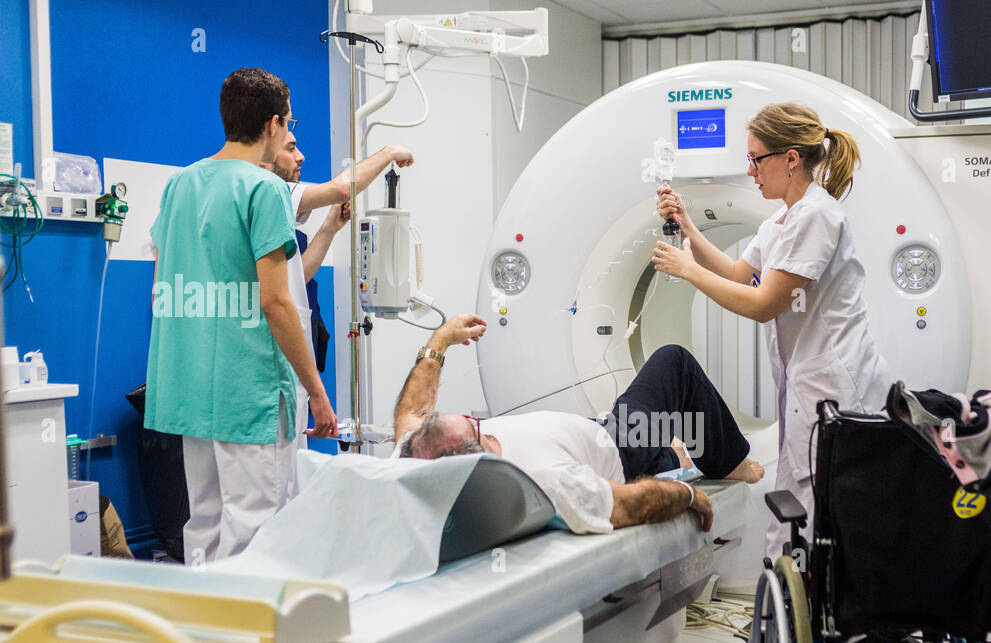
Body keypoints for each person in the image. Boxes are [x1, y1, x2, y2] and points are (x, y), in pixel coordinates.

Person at [651, 102, 895, 643]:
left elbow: (762, 303)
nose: (750, 171)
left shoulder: (818, 216)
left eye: (757, 159)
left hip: (832, 400)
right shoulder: (786, 218)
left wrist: (683, 270)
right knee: (837, 536)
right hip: (816, 398)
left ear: (792, 159)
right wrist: (688, 228)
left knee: (788, 537)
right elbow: (738, 270)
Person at [146, 67, 338, 565]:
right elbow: (276, 302)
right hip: (248, 393)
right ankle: (250, 638)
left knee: (205, 522)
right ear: (274, 124)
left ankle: (206, 633)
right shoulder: (264, 189)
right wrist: (316, 392)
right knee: (260, 530)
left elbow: (166, 287)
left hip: (191, 389)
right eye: (289, 124)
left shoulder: (179, 186)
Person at [392, 315, 764, 534]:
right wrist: (687, 496)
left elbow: (411, 410)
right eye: (478, 429)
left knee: (668, 450)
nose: (485, 425)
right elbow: (630, 506)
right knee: (673, 363)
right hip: (620, 446)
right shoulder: (543, 478)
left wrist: (440, 340)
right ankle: (730, 463)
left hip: (598, 437)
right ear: (480, 461)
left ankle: (672, 457)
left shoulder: (416, 454)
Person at [264, 138, 415, 450]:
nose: (301, 156)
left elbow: (296, 278)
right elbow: (341, 188)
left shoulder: (276, 210)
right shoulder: (268, 191)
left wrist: (330, 228)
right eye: (291, 147)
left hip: (283, 383)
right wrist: (388, 152)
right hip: (268, 377)